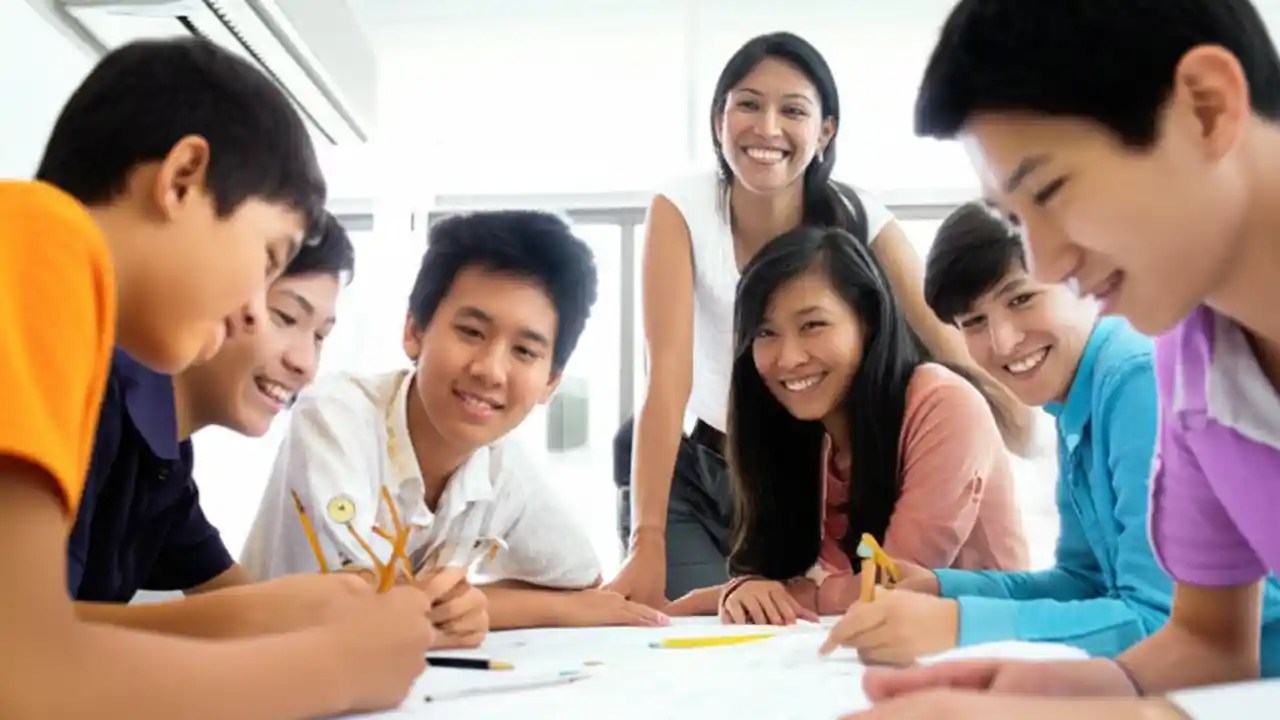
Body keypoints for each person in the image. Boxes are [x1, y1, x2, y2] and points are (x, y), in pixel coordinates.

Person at [845, 1, 1280, 719]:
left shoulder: (1134, 368)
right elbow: (1208, 642)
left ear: (1204, 108)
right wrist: (1073, 689)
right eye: (1016, 218)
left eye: (1051, 190)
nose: (1048, 260)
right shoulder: (1190, 360)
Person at [0, 38, 440, 718]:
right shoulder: (39, 236)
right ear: (182, 179)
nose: (253, 311)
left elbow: (40, 635)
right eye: (269, 258)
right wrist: (333, 668)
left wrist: (265, 616)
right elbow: (22, 675)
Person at [608, 31, 1033, 609]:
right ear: (718, 118)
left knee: (785, 618)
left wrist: (1026, 416)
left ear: (825, 130)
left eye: (794, 111)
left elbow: (945, 340)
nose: (767, 128)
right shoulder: (682, 207)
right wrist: (647, 539)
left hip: (802, 450)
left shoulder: (858, 215)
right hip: (713, 452)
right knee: (710, 631)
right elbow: (666, 378)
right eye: (748, 105)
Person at [827, 201, 1272, 665]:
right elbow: (1085, 582)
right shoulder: (1080, 394)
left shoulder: (1135, 378)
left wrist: (955, 627)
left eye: (1021, 299)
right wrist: (943, 588)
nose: (1002, 341)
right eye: (974, 323)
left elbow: (1162, 623)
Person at [241, 210, 669, 631]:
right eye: (471, 332)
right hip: (262, 667)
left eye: (524, 352)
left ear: (550, 383)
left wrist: (480, 603)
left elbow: (582, 582)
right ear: (415, 331)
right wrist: (504, 608)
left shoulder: (503, 468)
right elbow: (366, 601)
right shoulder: (336, 414)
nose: (490, 370)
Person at [666, 226, 1028, 623]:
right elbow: (810, 580)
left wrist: (788, 593)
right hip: (884, 648)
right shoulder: (809, 433)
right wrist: (745, 587)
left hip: (985, 647)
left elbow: (894, 582)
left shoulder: (944, 404)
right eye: (766, 332)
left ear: (868, 322)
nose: (788, 358)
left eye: (813, 326)